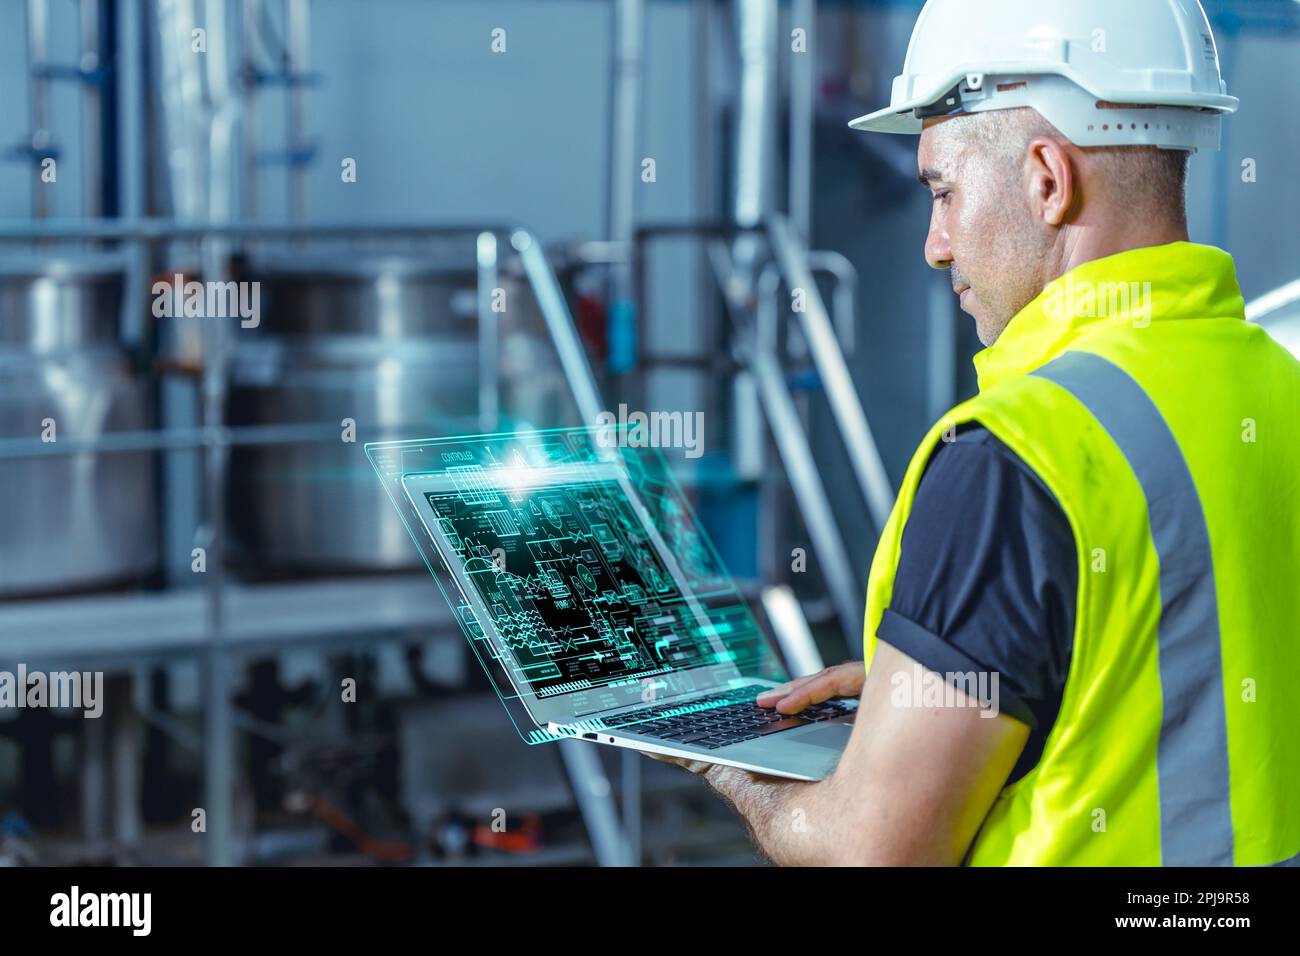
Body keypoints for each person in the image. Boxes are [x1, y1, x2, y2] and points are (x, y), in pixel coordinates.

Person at [660, 0, 1300, 866]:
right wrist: (980, 671)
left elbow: (869, 853)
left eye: (944, 191)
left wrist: (729, 761)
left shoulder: (1016, 451)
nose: (934, 244)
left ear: (1047, 178)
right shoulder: (1277, 383)